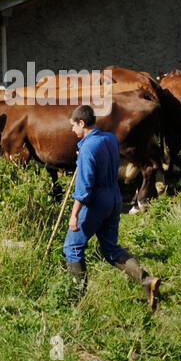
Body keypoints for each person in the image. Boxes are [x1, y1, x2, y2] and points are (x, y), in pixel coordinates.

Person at [63, 104, 162, 304]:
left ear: (82, 123)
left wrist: (74, 215)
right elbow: (103, 159)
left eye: (73, 126)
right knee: (111, 248)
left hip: (96, 202)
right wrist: (82, 155)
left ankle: (74, 301)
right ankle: (147, 280)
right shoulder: (109, 138)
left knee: (72, 247)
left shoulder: (88, 148)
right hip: (114, 198)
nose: (72, 130)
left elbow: (84, 188)